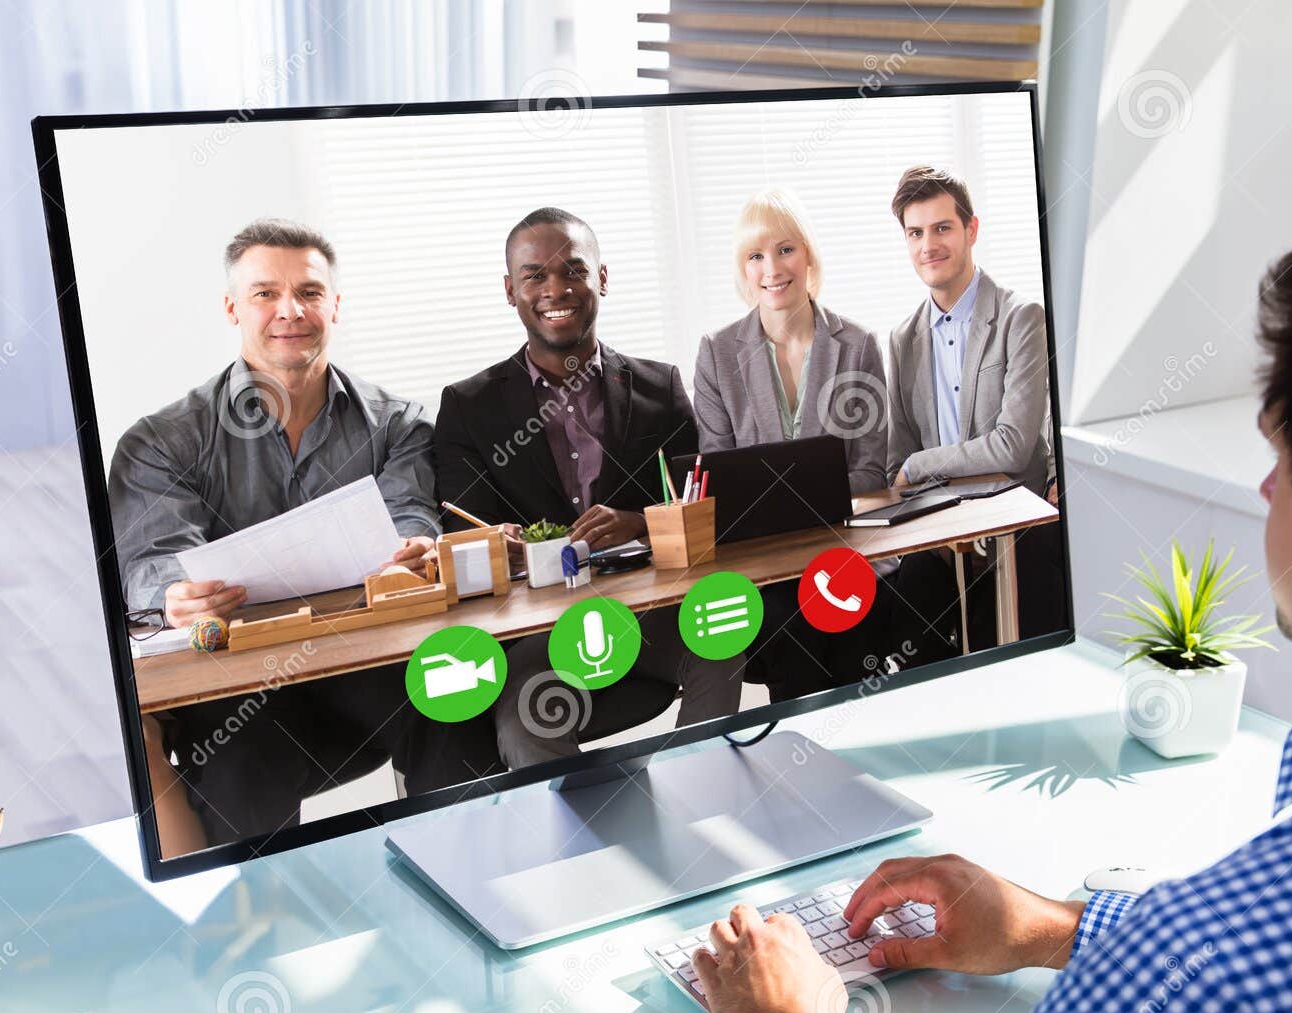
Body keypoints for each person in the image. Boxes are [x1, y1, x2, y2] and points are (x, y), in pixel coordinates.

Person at [692, 198, 1292, 1013]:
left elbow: (1220, 981)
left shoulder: (1206, 993)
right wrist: (1061, 925)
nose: (1267, 493)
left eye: (1279, 459)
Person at [107, 218, 494, 847]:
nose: (290, 310)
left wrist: (415, 551)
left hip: (369, 668)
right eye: (265, 293)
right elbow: (151, 564)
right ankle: (264, 931)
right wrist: (175, 595)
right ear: (232, 307)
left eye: (310, 293)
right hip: (238, 688)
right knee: (242, 751)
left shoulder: (399, 424)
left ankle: (467, 881)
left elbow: (411, 519)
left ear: (335, 305)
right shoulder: (160, 441)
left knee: (455, 683)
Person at [433, 207, 742, 769]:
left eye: (573, 271)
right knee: (526, 720)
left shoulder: (661, 386)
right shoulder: (467, 406)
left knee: (722, 638)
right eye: (535, 276)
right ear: (511, 290)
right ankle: (580, 850)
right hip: (540, 635)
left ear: (601, 278)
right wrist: (503, 546)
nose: (557, 290)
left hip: (650, 615)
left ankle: (702, 798)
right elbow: (463, 531)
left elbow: (698, 506)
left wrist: (640, 523)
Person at [692, 189, 890, 700]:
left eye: (785, 249)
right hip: (763, 565)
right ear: (743, 269)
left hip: (844, 548)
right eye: (755, 256)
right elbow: (715, 481)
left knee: (854, 625)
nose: (772, 268)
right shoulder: (716, 354)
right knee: (788, 626)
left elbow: (871, 471)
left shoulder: (859, 345)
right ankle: (807, 758)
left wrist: (794, 503)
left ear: (808, 256)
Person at [881, 166, 1065, 662]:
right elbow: (895, 457)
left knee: (1011, 655)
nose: (928, 245)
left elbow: (1011, 446)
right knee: (905, 648)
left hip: (1015, 528)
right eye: (915, 233)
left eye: (942, 228)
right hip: (938, 532)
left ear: (971, 230)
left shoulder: (1019, 317)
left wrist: (921, 466)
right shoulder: (901, 341)